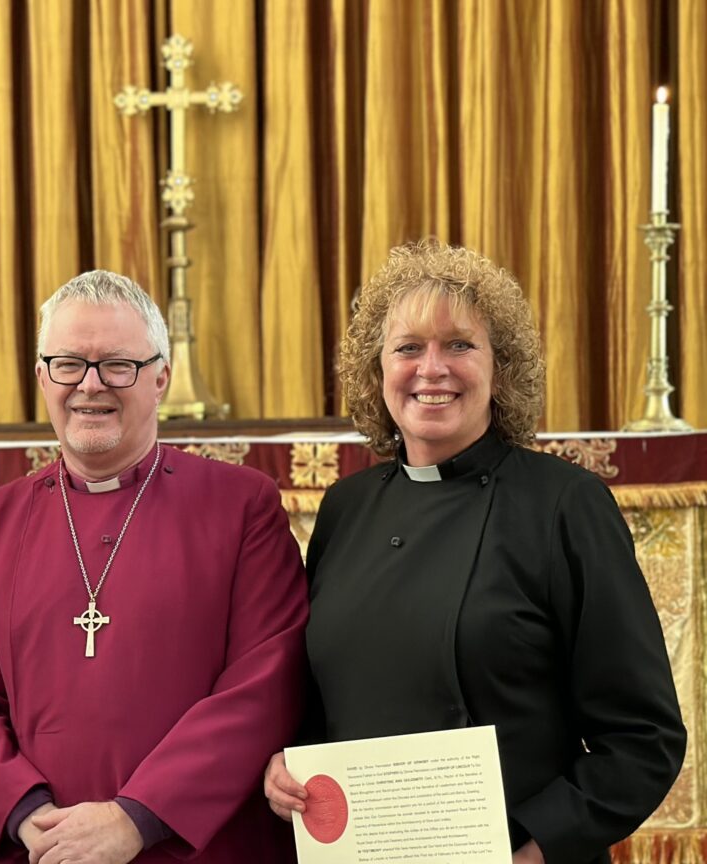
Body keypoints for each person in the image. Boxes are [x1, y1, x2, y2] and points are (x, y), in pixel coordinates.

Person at [263, 239, 686, 864]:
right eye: (407, 347)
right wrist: (287, 768)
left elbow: (644, 739)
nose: (431, 368)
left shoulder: (564, 505)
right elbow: (324, 706)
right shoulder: (345, 509)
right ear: (376, 370)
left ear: (501, 368)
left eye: (459, 344)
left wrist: (533, 850)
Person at [0, 270, 310, 864]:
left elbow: (265, 685)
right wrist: (28, 816)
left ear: (161, 377)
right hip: (45, 852)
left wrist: (138, 817)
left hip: (200, 847)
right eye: (68, 364)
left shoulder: (241, 507)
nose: (90, 385)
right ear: (41, 377)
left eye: (117, 366)